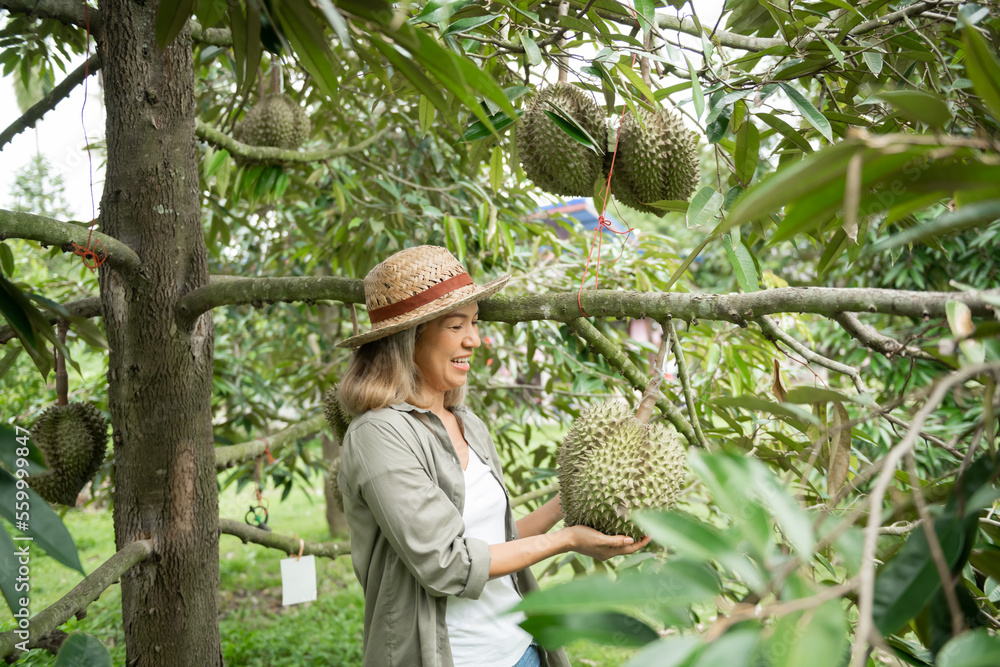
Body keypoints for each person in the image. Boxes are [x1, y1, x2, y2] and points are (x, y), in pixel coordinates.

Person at [336, 245, 651, 667]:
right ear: (409, 339)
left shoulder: (468, 423)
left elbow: (494, 541)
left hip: (521, 648)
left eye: (475, 323)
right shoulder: (378, 435)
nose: (474, 339)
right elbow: (447, 563)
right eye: (455, 326)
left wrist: (574, 502)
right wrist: (567, 541)